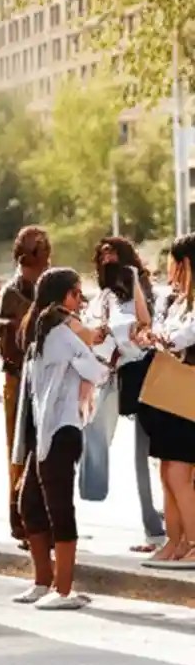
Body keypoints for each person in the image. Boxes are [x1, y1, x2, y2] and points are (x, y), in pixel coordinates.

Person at [10, 267, 110, 609]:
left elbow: (97, 369)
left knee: (57, 507)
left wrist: (92, 366)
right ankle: (43, 581)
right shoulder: (50, 329)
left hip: (62, 429)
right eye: (76, 293)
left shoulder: (60, 330)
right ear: (62, 295)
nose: (80, 301)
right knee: (30, 505)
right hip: (46, 429)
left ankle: (64, 589)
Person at [80, 237, 164, 552]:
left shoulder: (138, 285)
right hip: (117, 377)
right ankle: (156, 527)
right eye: (102, 254)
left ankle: (157, 530)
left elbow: (146, 325)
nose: (107, 259)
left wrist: (133, 284)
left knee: (151, 456)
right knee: (103, 439)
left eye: (112, 252)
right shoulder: (104, 296)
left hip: (146, 374)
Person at [135, 234, 195, 568]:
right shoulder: (175, 301)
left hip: (187, 399)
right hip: (169, 398)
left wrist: (162, 337)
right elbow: (161, 332)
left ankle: (192, 541)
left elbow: (184, 337)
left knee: (179, 474)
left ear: (186, 262)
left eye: (174, 261)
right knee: (168, 472)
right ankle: (176, 540)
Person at [0, 226, 51, 549]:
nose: (39, 265)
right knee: (18, 451)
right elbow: (9, 342)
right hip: (17, 377)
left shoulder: (52, 286)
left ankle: (47, 520)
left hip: (47, 377)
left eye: (42, 256)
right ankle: (22, 523)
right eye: (33, 258)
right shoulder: (11, 293)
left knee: (47, 451)